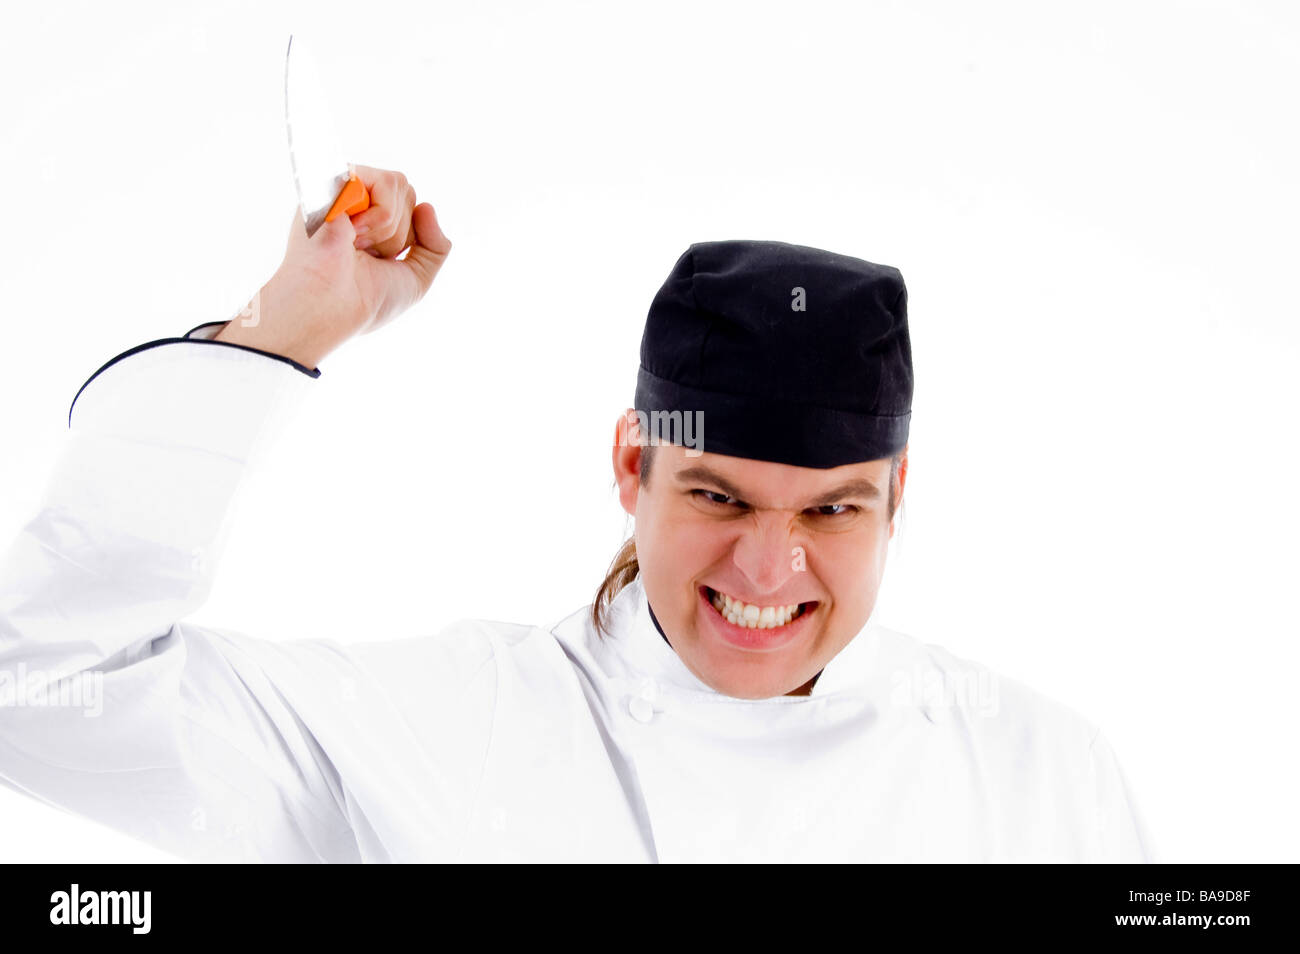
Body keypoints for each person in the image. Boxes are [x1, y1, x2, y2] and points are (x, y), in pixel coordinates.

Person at [0, 165, 1153, 862]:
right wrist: (282, 331)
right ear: (631, 464)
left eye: (831, 511)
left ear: (896, 500)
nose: (768, 568)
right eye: (717, 495)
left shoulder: (1040, 773)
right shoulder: (436, 728)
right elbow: (34, 687)